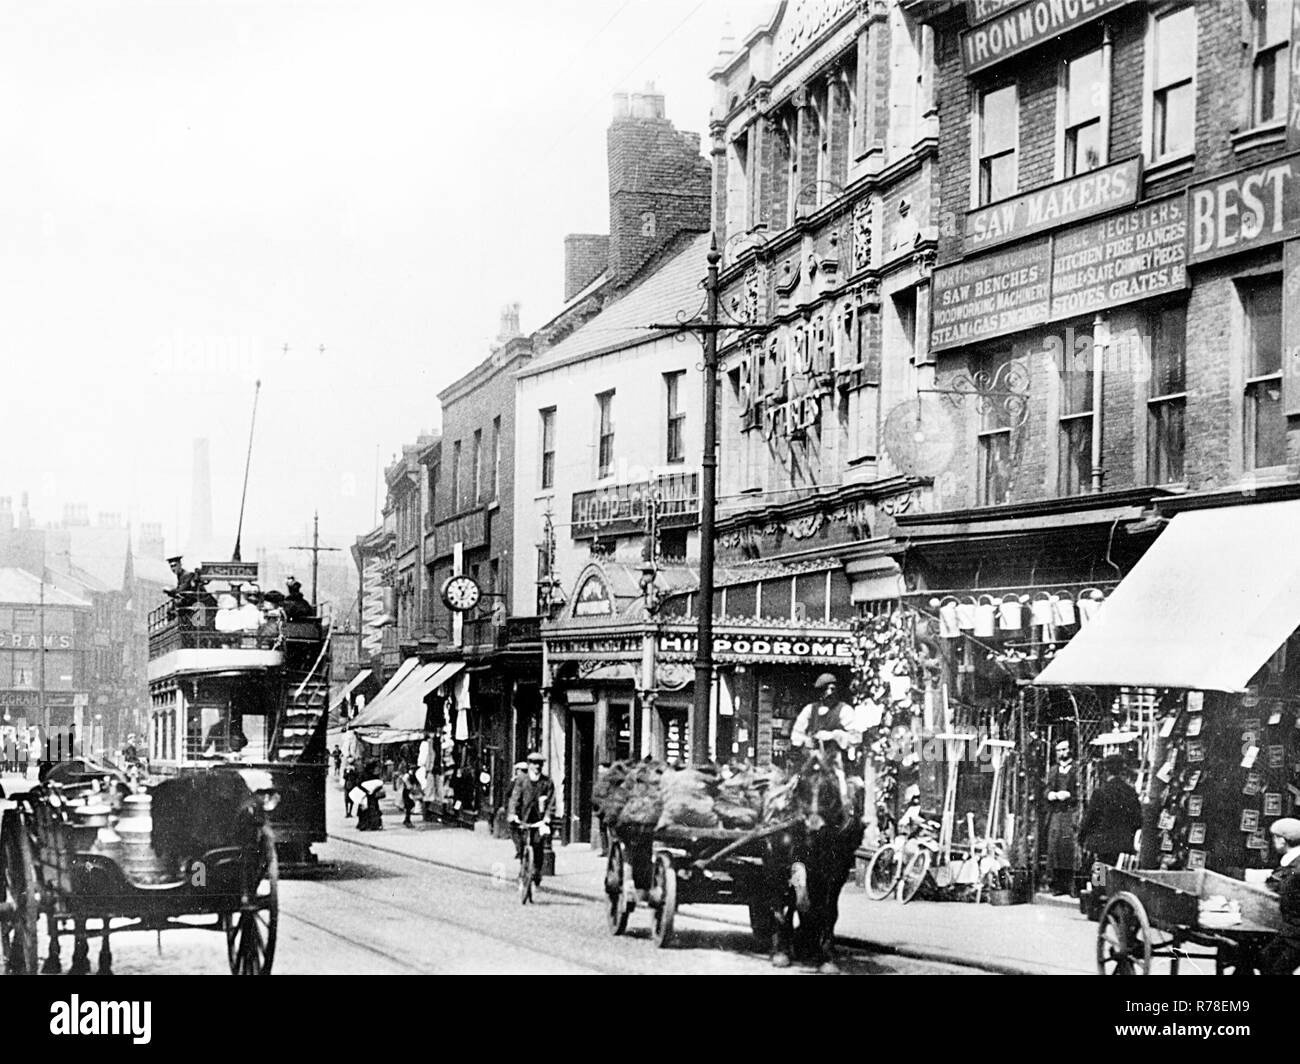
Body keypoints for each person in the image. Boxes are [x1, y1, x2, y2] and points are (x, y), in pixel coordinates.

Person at [789, 673, 862, 807]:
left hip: (835, 760)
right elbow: (796, 734)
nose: (829, 693)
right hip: (812, 759)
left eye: (833, 689)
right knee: (796, 782)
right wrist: (806, 740)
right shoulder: (810, 710)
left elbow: (856, 737)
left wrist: (834, 735)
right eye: (826, 690)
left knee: (841, 782)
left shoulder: (844, 710)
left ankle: (846, 809)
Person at [1078, 755, 1142, 872]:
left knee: (1099, 877)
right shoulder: (1130, 792)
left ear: (1106, 771)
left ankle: (1098, 889)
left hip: (1101, 846)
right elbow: (1138, 820)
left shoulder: (1100, 792)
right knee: (1118, 877)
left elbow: (1089, 819)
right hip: (1123, 845)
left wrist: (1081, 838)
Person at [1259, 817, 1300, 975]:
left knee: (1274, 970)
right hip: (1289, 930)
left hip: (1295, 934)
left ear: (1282, 840)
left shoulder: (1296, 868)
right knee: (1263, 959)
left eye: (1274, 838)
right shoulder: (1293, 862)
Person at [507, 753, 554, 887]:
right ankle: (523, 869)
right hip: (524, 818)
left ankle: (537, 871)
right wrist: (512, 813)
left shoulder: (547, 782)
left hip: (539, 820)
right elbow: (515, 798)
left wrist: (548, 816)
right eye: (534, 763)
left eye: (539, 764)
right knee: (522, 844)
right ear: (529, 765)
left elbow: (551, 801)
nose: (537, 766)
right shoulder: (522, 780)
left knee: (538, 845)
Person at [1043, 739, 1078, 895]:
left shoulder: (1076, 769)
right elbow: (1047, 789)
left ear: (1070, 750)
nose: (1062, 753)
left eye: (1064, 749)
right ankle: (1057, 885)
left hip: (1070, 813)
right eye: (1059, 750)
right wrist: (1052, 794)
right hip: (1056, 813)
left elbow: (1081, 792)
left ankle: (1070, 885)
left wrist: (1070, 795)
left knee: (1068, 848)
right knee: (1055, 847)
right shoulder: (1053, 770)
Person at [356, 761, 385, 831]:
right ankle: (373, 825)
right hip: (370, 796)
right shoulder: (373, 775)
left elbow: (358, 784)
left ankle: (364, 825)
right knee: (372, 809)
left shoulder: (363, 774)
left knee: (365, 810)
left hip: (366, 796)